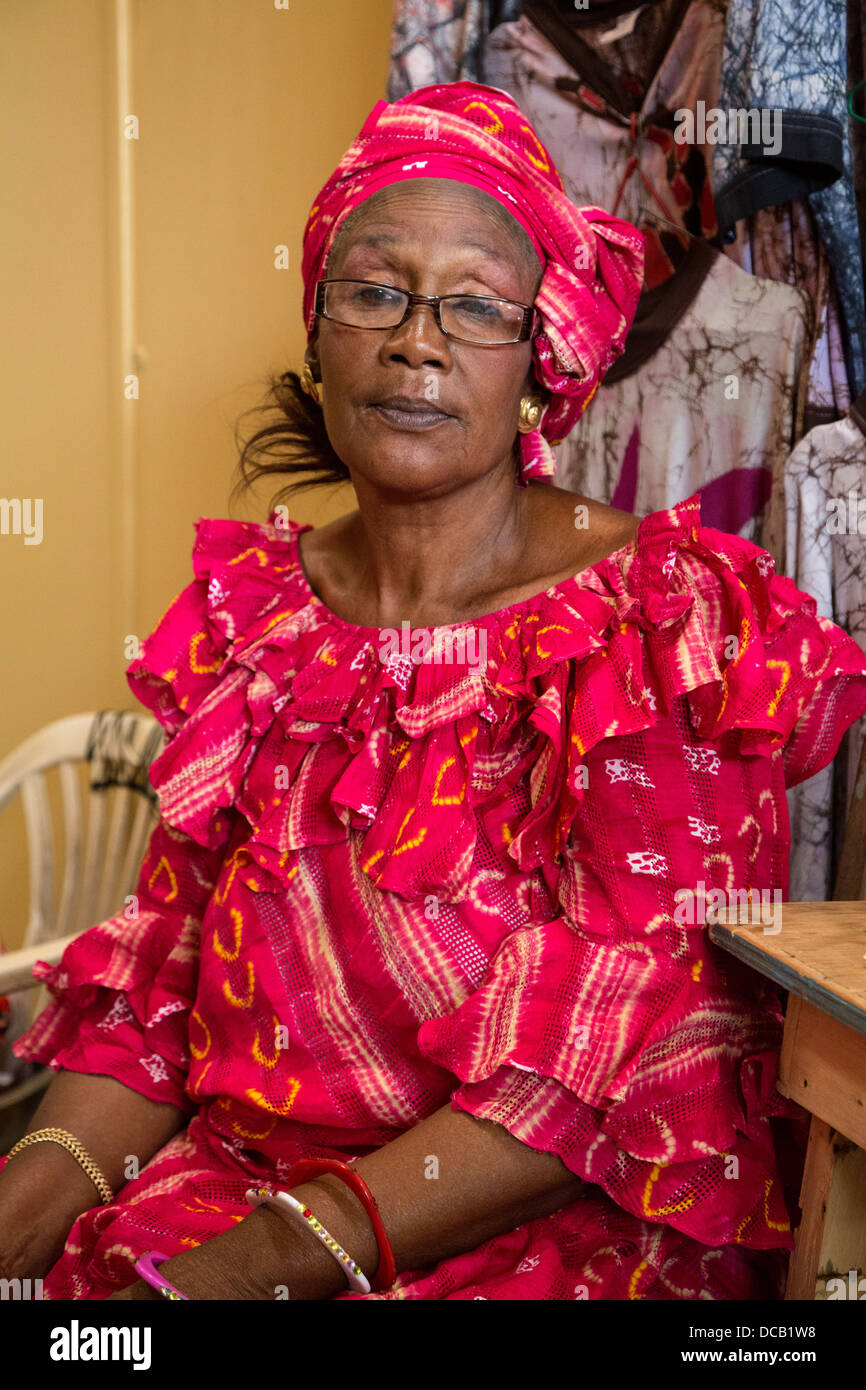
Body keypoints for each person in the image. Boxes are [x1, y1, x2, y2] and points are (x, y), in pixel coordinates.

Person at [2, 81, 865, 1302]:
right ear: (315, 327)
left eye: (473, 304)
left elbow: (636, 1051)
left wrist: (246, 1269)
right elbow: (158, 986)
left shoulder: (653, 624)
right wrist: (30, 1202)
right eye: (372, 289)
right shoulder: (254, 621)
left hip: (545, 1223)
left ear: (538, 357)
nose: (417, 339)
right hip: (234, 1187)